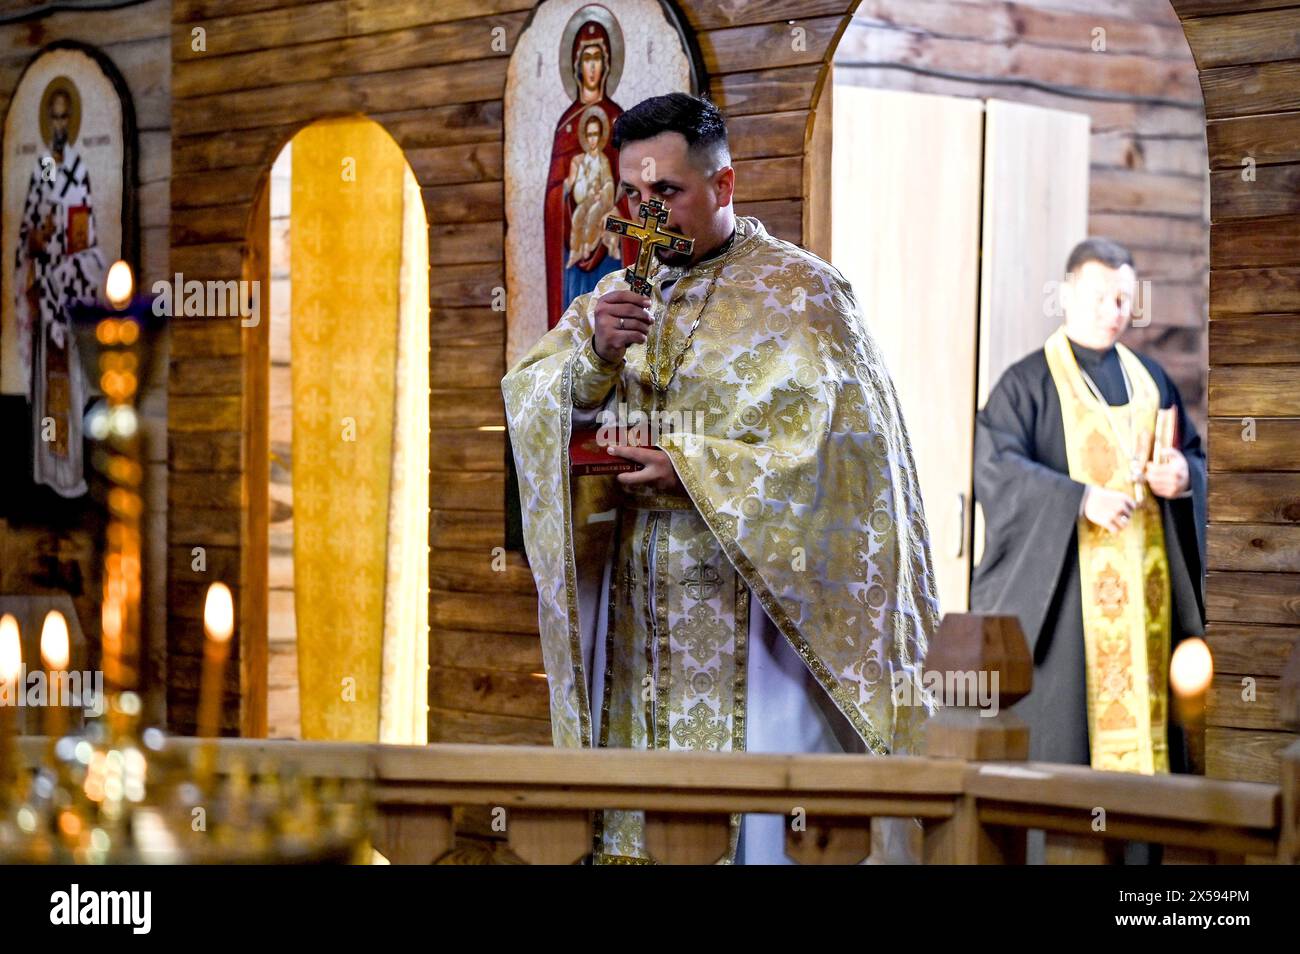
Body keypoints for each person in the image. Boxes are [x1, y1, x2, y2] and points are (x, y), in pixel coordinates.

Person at [503, 93, 939, 864]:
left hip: (760, 618)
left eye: (665, 194)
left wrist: (693, 470)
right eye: (632, 195)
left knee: (758, 837)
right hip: (637, 617)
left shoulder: (805, 295)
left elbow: (847, 465)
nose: (646, 214)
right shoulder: (614, 296)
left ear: (724, 186)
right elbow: (534, 400)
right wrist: (595, 358)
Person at [971, 237, 1206, 776]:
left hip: (1148, 601)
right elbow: (996, 468)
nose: (1113, 311)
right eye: (1099, 297)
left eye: (1124, 299)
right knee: (1068, 751)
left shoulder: (1152, 381)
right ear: (1068, 295)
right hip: (1068, 603)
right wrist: (1077, 500)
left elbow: (1191, 455)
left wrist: (1184, 478)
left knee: (1149, 753)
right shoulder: (1026, 384)